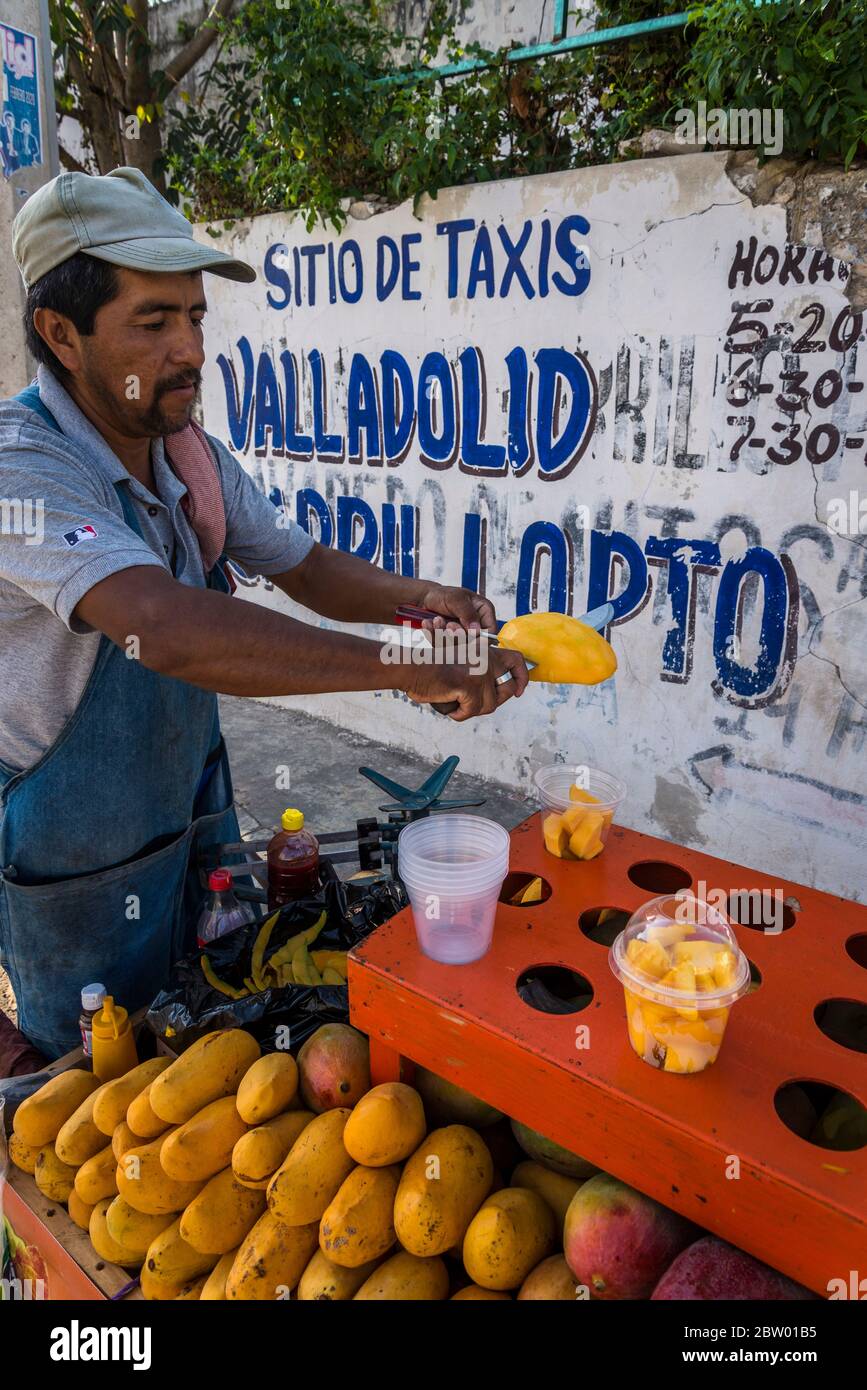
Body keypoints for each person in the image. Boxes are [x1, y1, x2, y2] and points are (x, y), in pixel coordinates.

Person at [0, 167, 529, 1062]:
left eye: (195, 317)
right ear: (61, 331)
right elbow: (159, 626)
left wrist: (418, 602)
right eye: (153, 322)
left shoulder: (185, 452)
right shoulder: (25, 469)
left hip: (187, 805)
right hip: (75, 853)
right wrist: (406, 668)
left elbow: (302, 564)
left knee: (204, 1030)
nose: (191, 351)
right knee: (96, 1081)